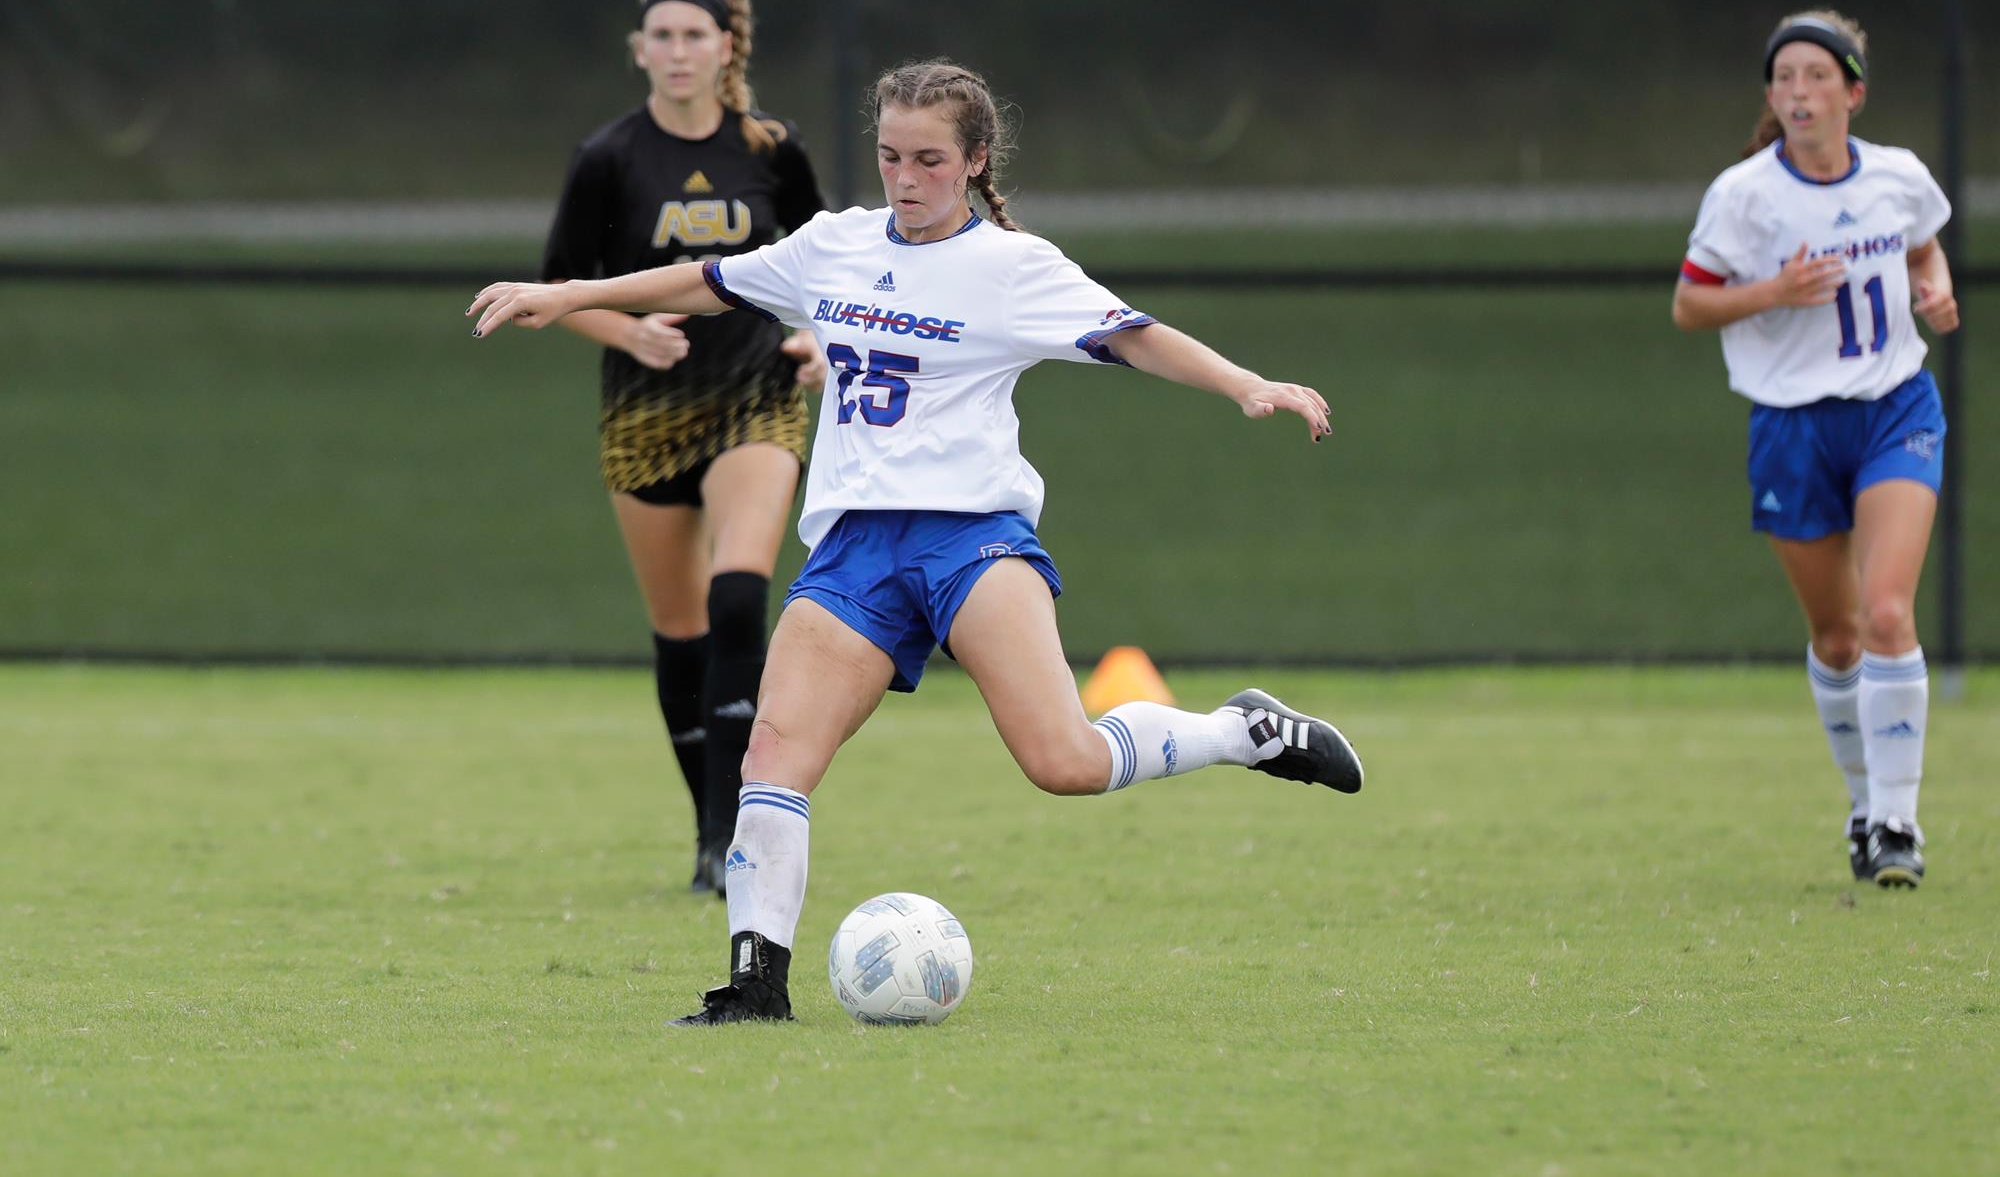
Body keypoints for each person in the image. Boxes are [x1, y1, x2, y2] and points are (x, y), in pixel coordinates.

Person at [472, 59, 1363, 1024]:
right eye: (891, 155)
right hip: (854, 548)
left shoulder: (1014, 267)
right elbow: (712, 280)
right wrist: (572, 295)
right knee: (772, 755)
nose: (905, 177)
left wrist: (1244, 383)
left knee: (1063, 760)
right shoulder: (835, 245)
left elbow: (1135, 335)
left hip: (972, 537)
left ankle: (1241, 732)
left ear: (975, 160)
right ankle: (755, 989)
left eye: (930, 159)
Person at [540, 0, 827, 897]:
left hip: (755, 395)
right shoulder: (608, 158)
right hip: (647, 411)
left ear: (725, 46)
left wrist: (818, 339)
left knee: (738, 596)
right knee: (680, 628)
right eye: (660, 36)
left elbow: (831, 270)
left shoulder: (772, 149)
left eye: (693, 34)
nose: (676, 51)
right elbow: (560, 288)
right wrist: (627, 330)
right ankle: (708, 829)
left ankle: (736, 831)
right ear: (639, 50)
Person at [1672, 10, 1958, 889]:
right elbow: (1690, 304)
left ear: (1853, 93)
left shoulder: (1898, 176)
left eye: (1817, 75)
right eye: (1784, 77)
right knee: (1837, 639)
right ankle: (1864, 805)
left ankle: (1899, 823)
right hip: (1792, 425)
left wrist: (1935, 287)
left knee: (1887, 615)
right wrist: (1776, 290)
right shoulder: (1746, 194)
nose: (1798, 92)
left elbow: (1924, 248)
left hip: (1894, 409)